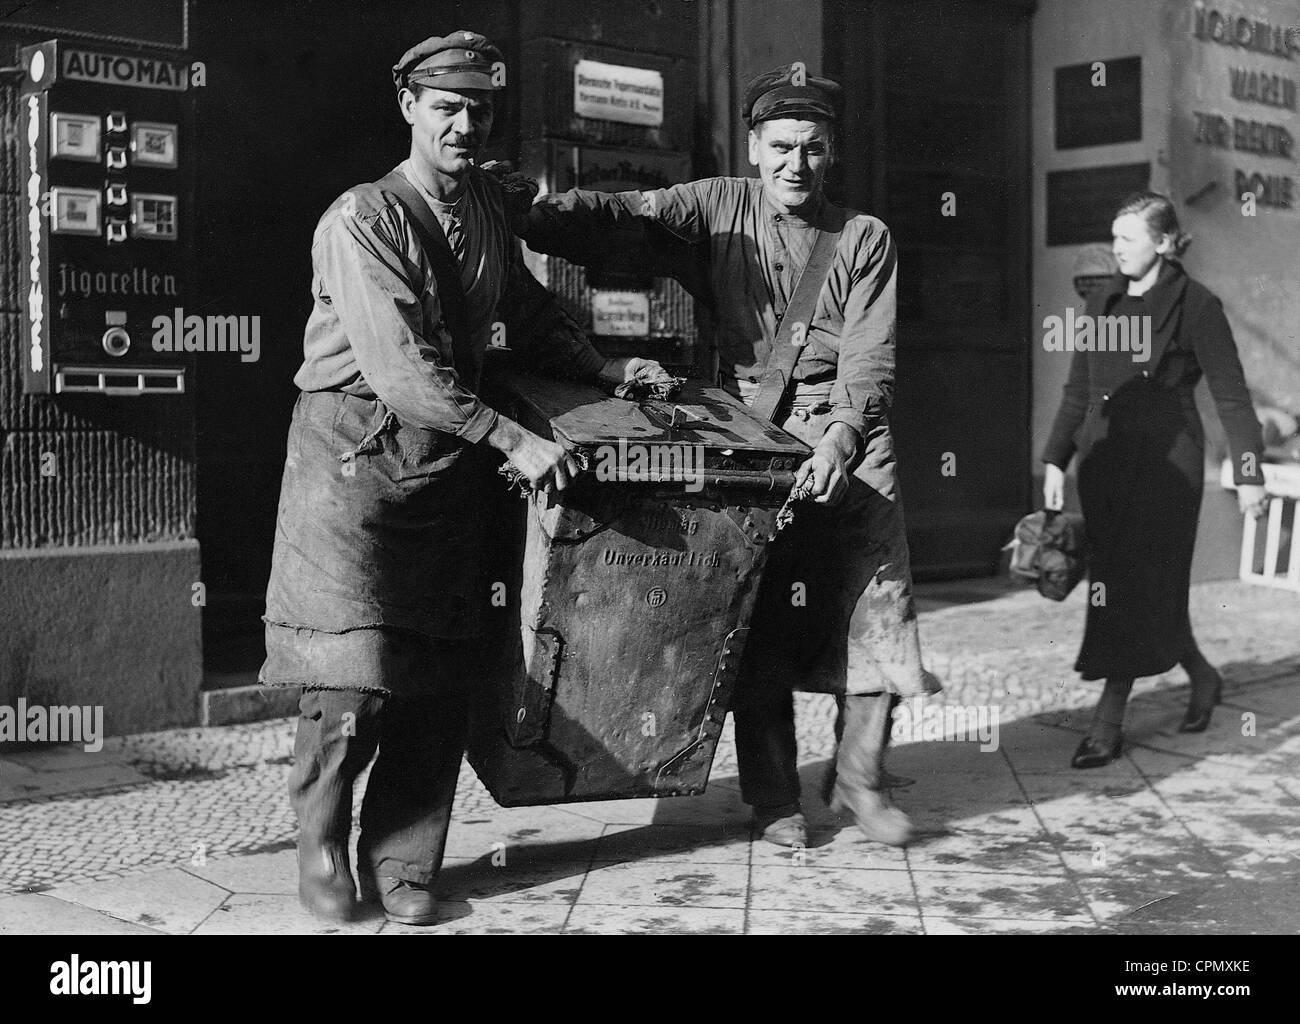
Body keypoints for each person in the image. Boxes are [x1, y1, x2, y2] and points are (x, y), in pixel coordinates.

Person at [259, 30, 663, 926]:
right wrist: (511, 439)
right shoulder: (361, 218)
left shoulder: (483, 208)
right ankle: (322, 849)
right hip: (353, 461)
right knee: (352, 671)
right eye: (447, 107)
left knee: (440, 667)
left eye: (479, 110)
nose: (465, 125)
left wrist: (604, 371)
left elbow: (526, 308)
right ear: (409, 107)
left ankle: (403, 866)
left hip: (445, 462)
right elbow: (401, 367)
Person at [514, 65, 940, 848]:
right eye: (780, 147)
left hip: (848, 432)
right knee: (755, 613)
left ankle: (860, 780)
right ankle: (775, 798)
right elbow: (620, 216)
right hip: (747, 435)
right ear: (754, 146)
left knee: (877, 605)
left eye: (813, 149)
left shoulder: (865, 238)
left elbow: (870, 362)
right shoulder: (712, 204)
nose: (795, 165)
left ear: (832, 150)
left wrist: (842, 439)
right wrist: (534, 212)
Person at [1041, 191, 1268, 768]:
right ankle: (1203, 677)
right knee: (1142, 587)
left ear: (1166, 243)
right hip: (1106, 466)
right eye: (1113, 238)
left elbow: (1233, 399)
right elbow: (1077, 392)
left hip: (1169, 469)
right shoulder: (1102, 304)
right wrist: (1053, 459)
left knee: (1132, 585)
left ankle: (1107, 722)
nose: (1115, 249)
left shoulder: (1197, 305)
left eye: (1128, 239)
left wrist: (1248, 474)